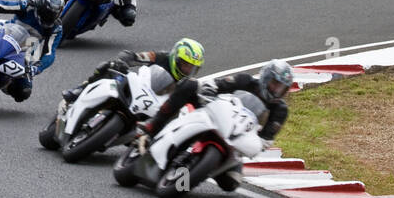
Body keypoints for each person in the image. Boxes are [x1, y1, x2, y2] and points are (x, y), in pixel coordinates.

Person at [139, 59, 296, 156]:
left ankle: (198, 166)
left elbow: (266, 140)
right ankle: (152, 127)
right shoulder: (245, 81)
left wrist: (255, 140)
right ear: (266, 78)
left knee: (231, 183)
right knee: (189, 85)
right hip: (217, 116)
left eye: (282, 88)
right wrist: (209, 91)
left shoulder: (280, 110)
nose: (277, 90)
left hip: (237, 142)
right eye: (275, 84)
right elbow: (216, 85)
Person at [60, 37, 205, 105]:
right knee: (109, 66)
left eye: (191, 67)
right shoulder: (161, 57)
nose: (187, 69)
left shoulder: (187, 85)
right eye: (185, 64)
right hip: (137, 89)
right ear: (175, 57)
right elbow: (137, 57)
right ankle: (80, 89)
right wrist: (126, 60)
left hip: (153, 110)